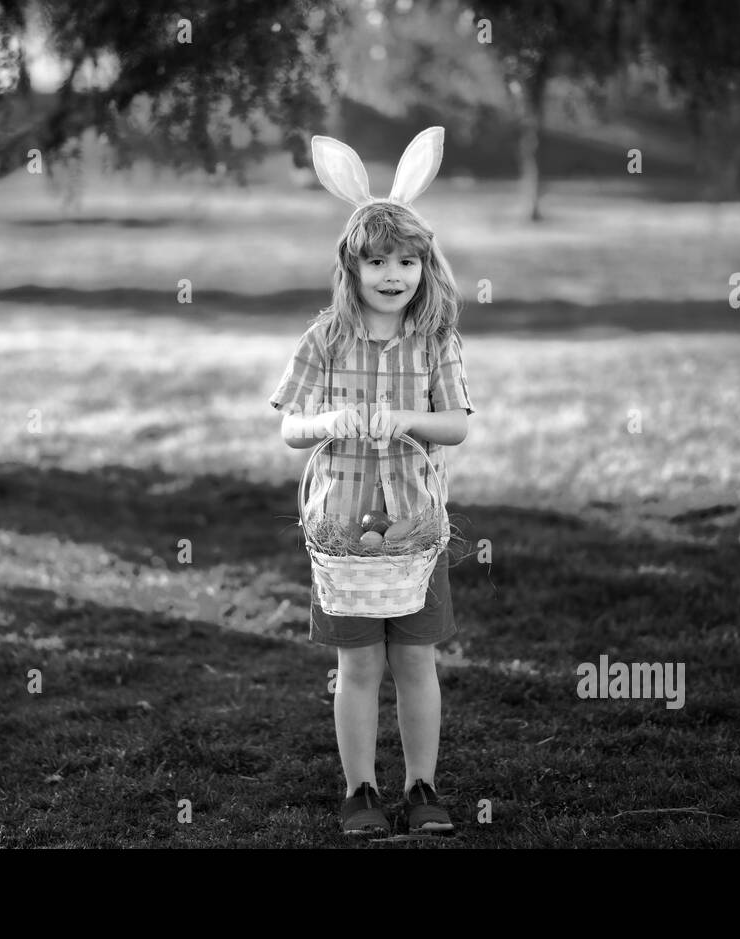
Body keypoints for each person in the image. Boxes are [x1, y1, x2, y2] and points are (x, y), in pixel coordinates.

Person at [268, 127, 475, 836]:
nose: (395, 273)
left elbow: (458, 425)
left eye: (408, 260)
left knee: (416, 661)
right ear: (352, 268)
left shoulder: (436, 338)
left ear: (425, 264)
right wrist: (333, 420)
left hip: (416, 527)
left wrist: (407, 420)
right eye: (379, 260)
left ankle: (421, 785)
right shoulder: (324, 339)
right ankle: (361, 790)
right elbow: (290, 426)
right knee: (358, 667)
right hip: (344, 532)